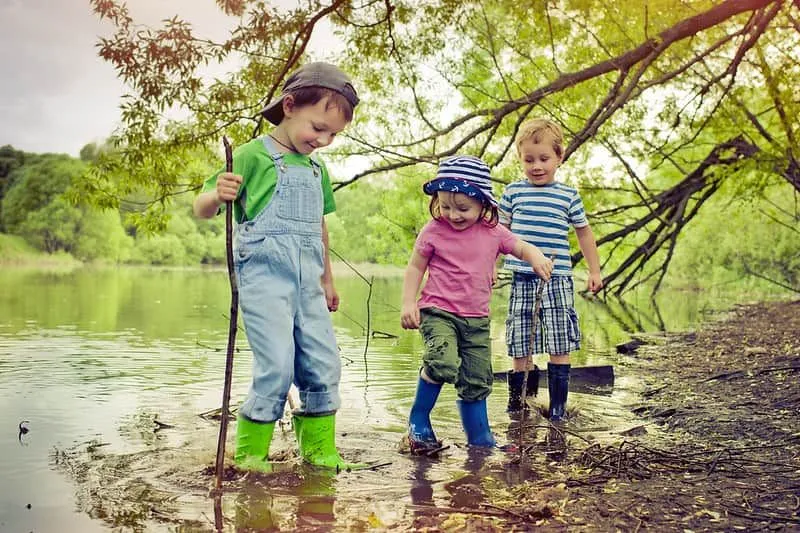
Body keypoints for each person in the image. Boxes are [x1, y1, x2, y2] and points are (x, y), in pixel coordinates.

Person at [193, 62, 361, 472]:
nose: (323, 140)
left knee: (324, 364)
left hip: (309, 285)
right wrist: (218, 193)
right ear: (289, 106)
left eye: (333, 135)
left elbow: (318, 226)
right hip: (265, 280)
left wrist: (327, 280)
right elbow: (200, 208)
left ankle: (319, 453)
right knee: (277, 365)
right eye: (318, 128)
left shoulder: (317, 168)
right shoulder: (252, 155)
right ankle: (250, 456)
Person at [401, 155, 554, 453]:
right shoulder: (433, 230)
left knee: (476, 378)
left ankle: (480, 440)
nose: (453, 215)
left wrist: (536, 257)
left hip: (477, 320)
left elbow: (520, 246)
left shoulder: (493, 232)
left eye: (463, 208)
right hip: (438, 312)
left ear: (484, 203)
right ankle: (418, 420)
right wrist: (409, 303)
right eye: (445, 206)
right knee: (442, 362)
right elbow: (415, 267)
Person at [499, 118, 603, 421]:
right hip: (521, 277)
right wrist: (490, 267)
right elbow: (498, 234)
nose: (536, 166)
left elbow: (584, 233)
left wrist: (594, 271)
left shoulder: (567, 195)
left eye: (544, 158)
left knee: (559, 338)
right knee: (520, 340)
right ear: (520, 158)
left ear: (559, 157)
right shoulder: (513, 193)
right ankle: (519, 405)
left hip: (557, 279)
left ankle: (557, 408)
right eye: (528, 159)